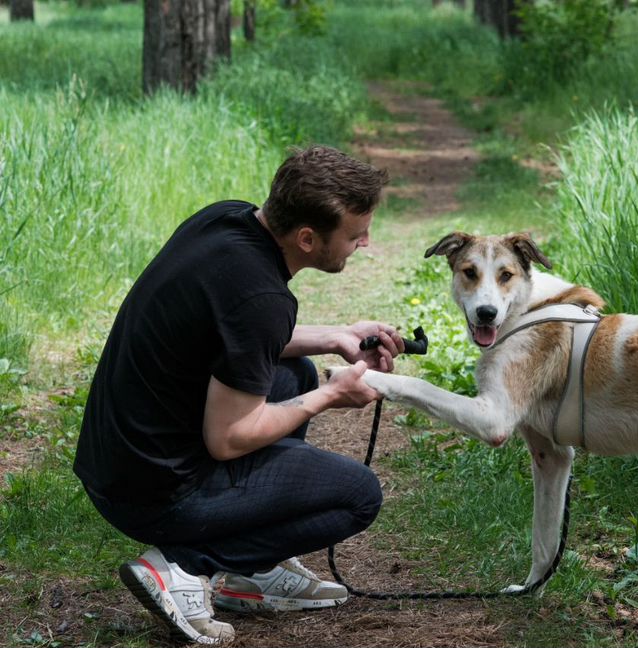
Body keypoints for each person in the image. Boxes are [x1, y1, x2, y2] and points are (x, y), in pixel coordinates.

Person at [73, 145, 404, 644]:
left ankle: (253, 573)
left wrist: (336, 335)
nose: (365, 242)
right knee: (358, 496)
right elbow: (229, 438)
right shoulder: (263, 298)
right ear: (307, 238)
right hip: (154, 494)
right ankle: (184, 565)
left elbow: (234, 333)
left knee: (292, 373)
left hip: (115, 461)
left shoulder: (225, 220)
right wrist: (330, 396)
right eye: (356, 234)